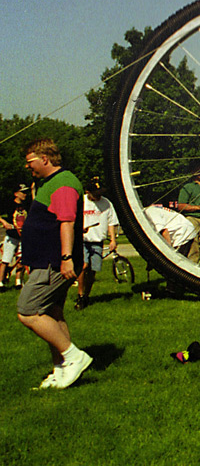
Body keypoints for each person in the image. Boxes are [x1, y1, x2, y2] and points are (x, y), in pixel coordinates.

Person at [17, 139, 93, 389]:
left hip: (53, 261)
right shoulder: (48, 183)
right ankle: (62, 370)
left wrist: (66, 258)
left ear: (45, 159)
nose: (29, 167)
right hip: (45, 260)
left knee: (27, 310)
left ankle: (73, 356)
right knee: (52, 312)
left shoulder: (63, 183)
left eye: (31, 162)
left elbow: (67, 222)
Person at [75, 179, 118, 310]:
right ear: (88, 191)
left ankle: (87, 295)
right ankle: (80, 295)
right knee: (83, 266)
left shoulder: (106, 203)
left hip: (97, 240)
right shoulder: (81, 202)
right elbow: (72, 219)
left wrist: (112, 240)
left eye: (100, 193)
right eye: (95, 193)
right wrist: (78, 229)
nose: (98, 196)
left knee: (93, 270)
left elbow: (111, 222)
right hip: (83, 239)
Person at [0, 184, 29, 289]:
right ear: (16, 194)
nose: (25, 194)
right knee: (6, 260)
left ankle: (18, 281)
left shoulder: (27, 205)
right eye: (23, 192)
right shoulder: (8, 204)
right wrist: (4, 222)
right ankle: (1, 282)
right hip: (12, 235)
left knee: (21, 260)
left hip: (23, 235)